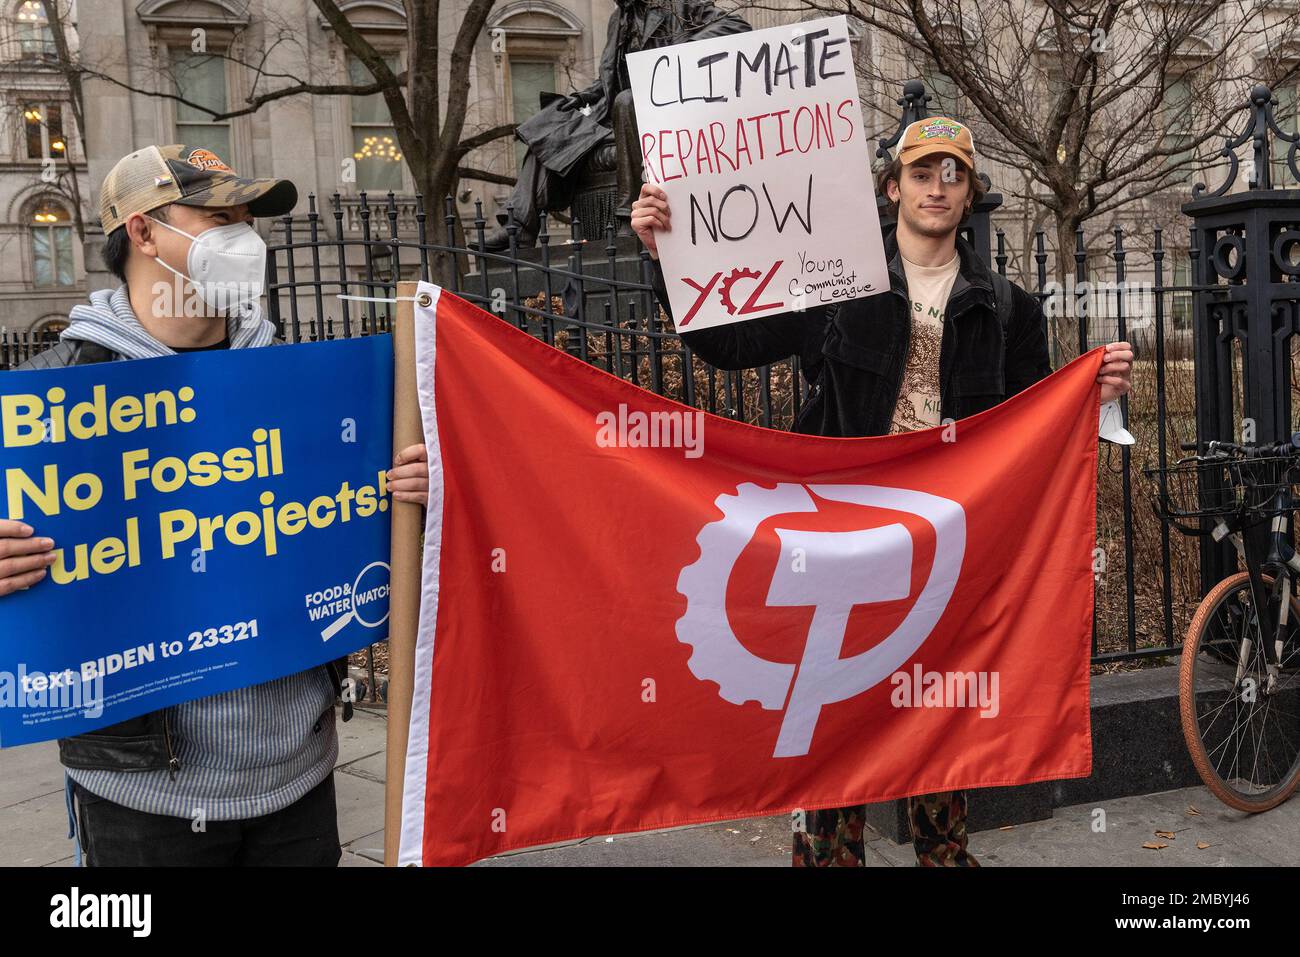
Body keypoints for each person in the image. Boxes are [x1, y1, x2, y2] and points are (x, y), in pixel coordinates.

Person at [632, 116, 1134, 866]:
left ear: (970, 194)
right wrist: (666, 255)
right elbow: (729, 343)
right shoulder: (835, 283)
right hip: (839, 547)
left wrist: (1092, 400)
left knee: (937, 732)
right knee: (832, 732)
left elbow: (1036, 432)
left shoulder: (1010, 310)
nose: (937, 188)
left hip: (945, 550)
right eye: (922, 173)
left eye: (953, 175)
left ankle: (941, 853)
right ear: (893, 187)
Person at [0, 143, 431, 866]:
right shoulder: (48, 399)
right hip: (141, 798)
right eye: (221, 218)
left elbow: (351, 527)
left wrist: (407, 493)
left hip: (299, 777)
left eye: (249, 219)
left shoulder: (302, 379)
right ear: (143, 232)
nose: (247, 238)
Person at [473, 0, 750, 252]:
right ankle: (518, 227)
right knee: (548, 126)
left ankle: (627, 218)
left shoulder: (679, 5)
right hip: (617, 115)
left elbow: (737, 26)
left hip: (666, 110)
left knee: (626, 100)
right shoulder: (618, 20)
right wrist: (581, 98)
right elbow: (607, 79)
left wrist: (672, 59)